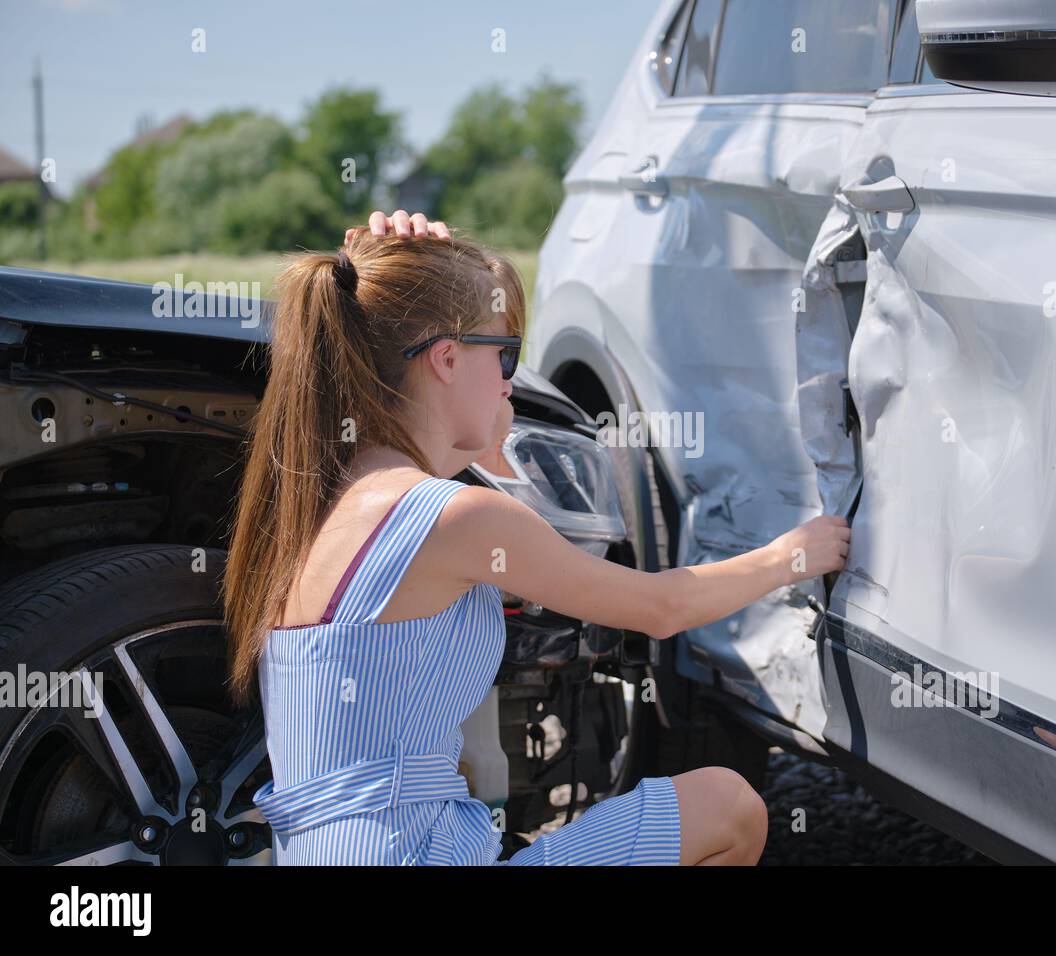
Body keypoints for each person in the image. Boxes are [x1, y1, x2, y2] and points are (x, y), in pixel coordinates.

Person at [222, 210, 851, 865]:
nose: (510, 382)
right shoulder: (455, 518)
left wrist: (400, 282)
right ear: (445, 358)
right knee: (728, 804)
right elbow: (662, 608)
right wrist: (792, 556)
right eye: (504, 354)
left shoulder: (314, 499)